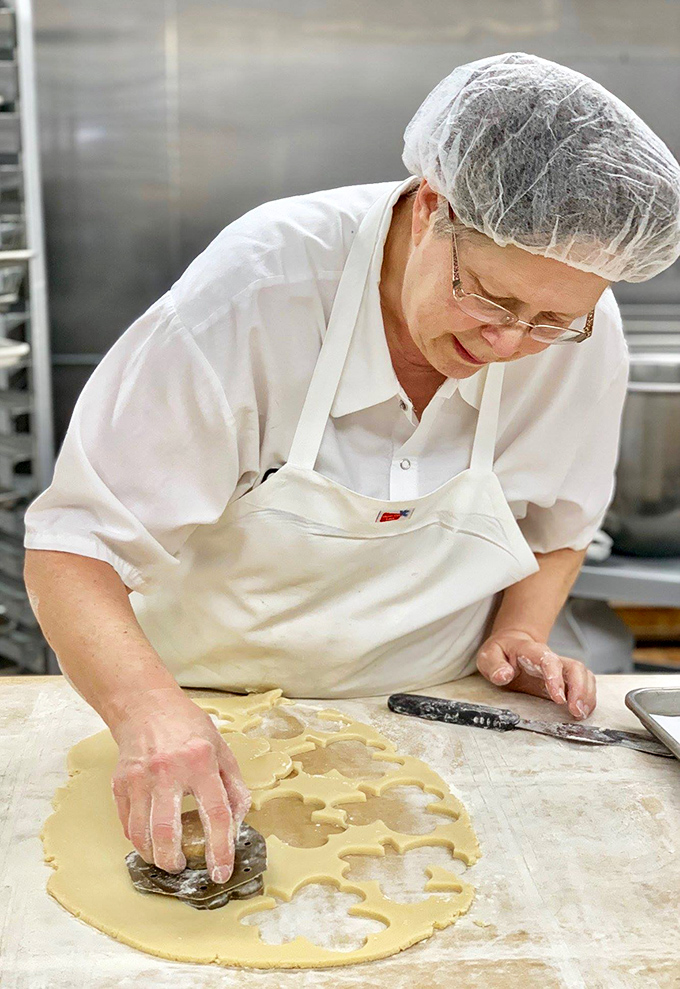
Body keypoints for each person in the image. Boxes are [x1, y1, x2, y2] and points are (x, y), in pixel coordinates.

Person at [23, 52, 680, 884]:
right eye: (489, 297)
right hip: (200, 714)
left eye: (552, 320)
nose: (509, 343)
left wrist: (519, 632)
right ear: (431, 207)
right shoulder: (261, 287)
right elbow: (72, 545)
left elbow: (559, 528)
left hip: (430, 715)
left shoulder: (580, 322)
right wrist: (149, 712)